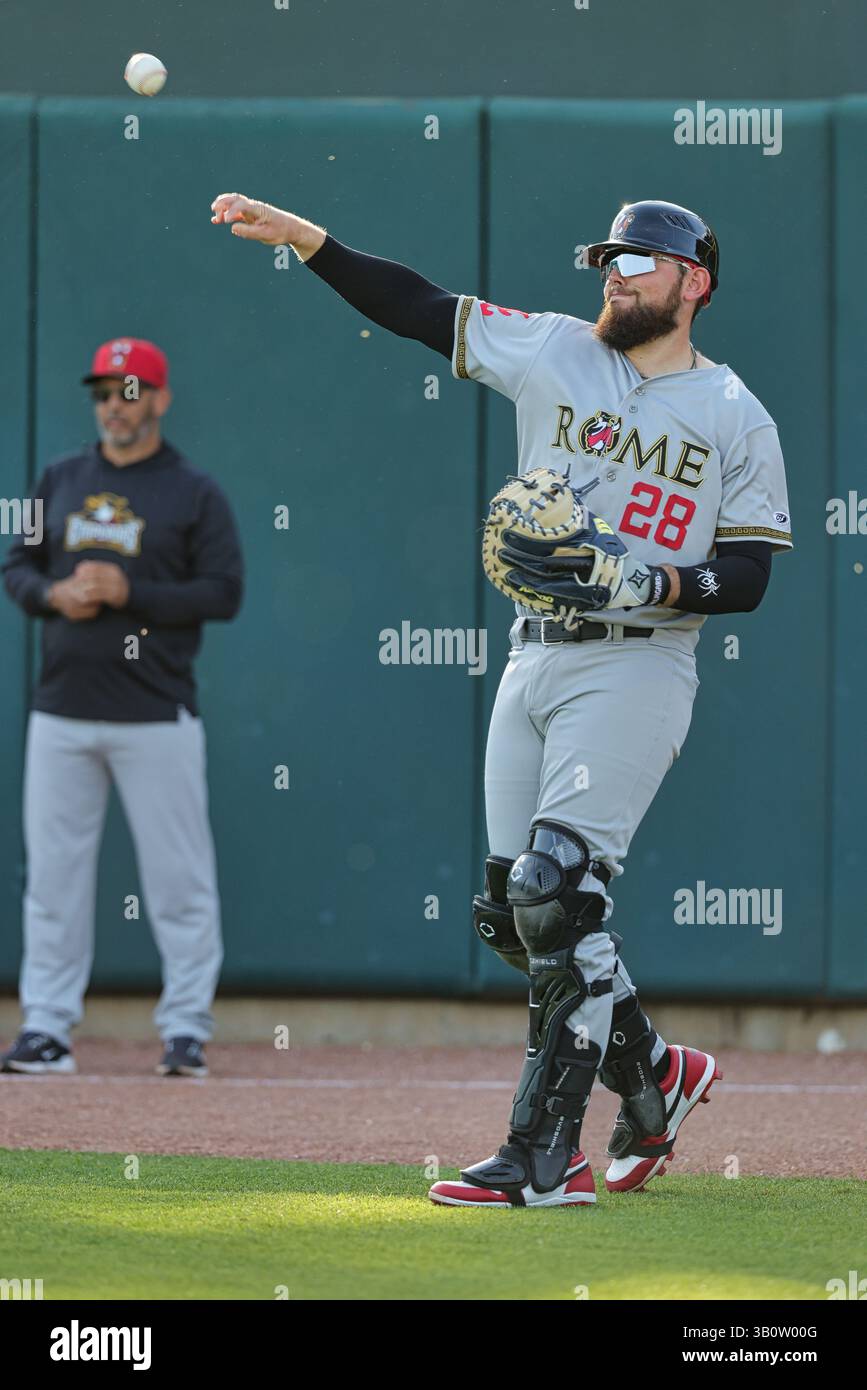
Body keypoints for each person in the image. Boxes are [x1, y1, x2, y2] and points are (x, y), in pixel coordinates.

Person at [210, 194, 791, 1205]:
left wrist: (652, 580)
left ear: (694, 282)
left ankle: (542, 1156)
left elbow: (747, 574)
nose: (619, 273)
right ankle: (656, 1073)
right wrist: (312, 241)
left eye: (643, 261)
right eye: (611, 256)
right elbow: (418, 306)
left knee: (555, 888)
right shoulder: (556, 350)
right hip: (532, 656)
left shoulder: (736, 413)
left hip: (638, 664)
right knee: (512, 913)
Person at [1, 338, 243, 1079]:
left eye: (129, 390)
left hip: (156, 714)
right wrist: (52, 594)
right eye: (104, 391)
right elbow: (17, 564)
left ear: (160, 400)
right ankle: (45, 1028)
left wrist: (127, 593)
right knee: (54, 878)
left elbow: (222, 594)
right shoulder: (61, 478)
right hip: (62, 710)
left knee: (178, 880)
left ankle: (185, 1031)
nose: (114, 404)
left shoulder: (193, 492)